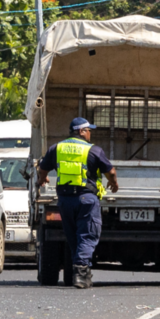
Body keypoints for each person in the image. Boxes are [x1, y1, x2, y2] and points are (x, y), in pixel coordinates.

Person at [36, 117, 119, 288]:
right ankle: (81, 272)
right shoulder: (93, 150)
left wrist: (42, 179)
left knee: (73, 236)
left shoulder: (56, 148)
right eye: (88, 130)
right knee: (87, 235)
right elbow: (110, 171)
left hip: (65, 201)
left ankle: (81, 272)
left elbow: (43, 168)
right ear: (81, 131)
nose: (90, 134)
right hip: (86, 199)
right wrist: (114, 182)